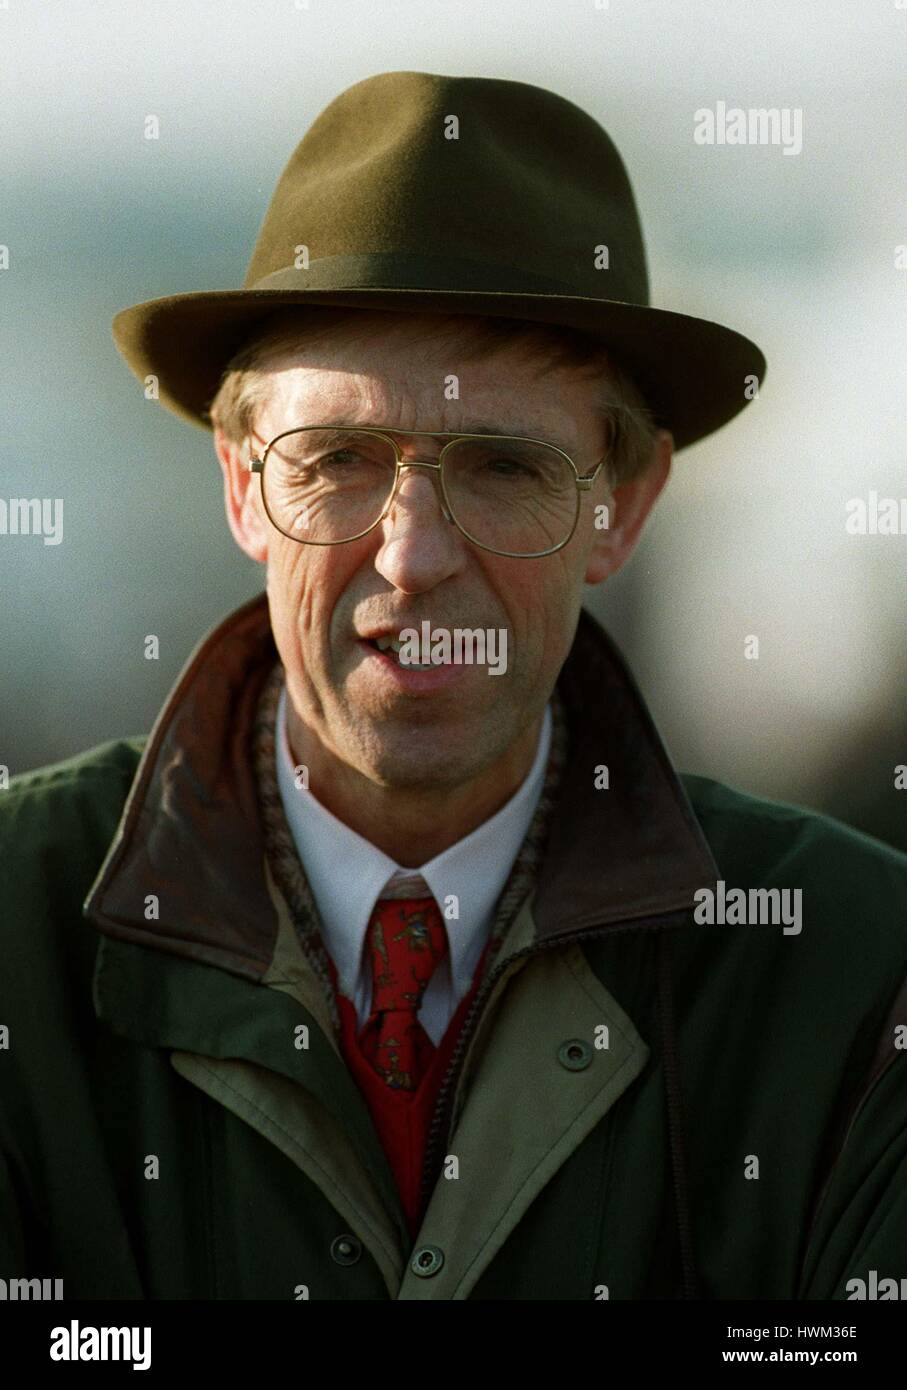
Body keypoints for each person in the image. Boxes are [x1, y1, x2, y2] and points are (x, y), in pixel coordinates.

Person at [1, 69, 905, 1302]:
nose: (415, 554)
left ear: (619, 509)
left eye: (501, 468)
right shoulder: (15, 928)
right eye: (338, 461)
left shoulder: (853, 974)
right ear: (239, 489)